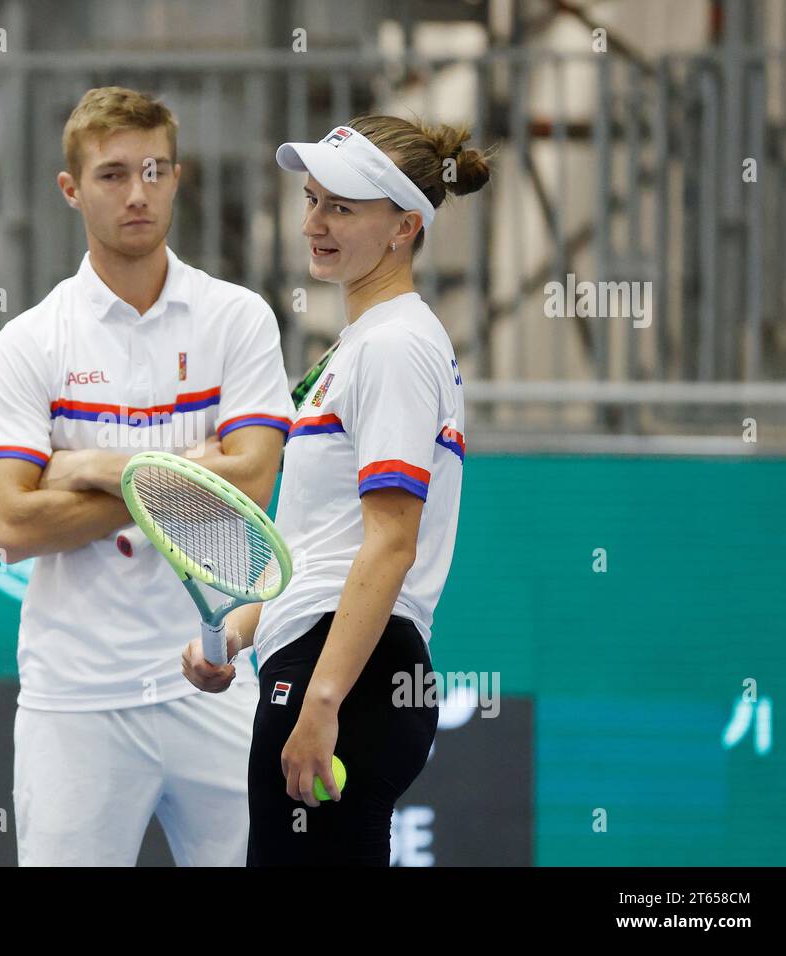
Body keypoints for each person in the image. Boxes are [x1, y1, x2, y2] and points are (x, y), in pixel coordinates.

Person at [0, 87, 293, 866]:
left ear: (178, 176)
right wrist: (185, 479)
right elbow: (12, 525)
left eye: (154, 170)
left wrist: (85, 469)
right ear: (70, 189)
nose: (138, 192)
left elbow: (249, 484)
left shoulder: (240, 318)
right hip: (73, 699)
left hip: (215, 683)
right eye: (113, 174)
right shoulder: (28, 342)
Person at [183, 115, 489, 865]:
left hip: (347, 676)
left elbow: (390, 544)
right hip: (330, 660)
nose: (313, 224)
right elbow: (329, 544)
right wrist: (241, 629)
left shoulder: (393, 347)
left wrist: (322, 702)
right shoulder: (363, 345)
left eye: (342, 208)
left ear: (404, 227)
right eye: (313, 200)